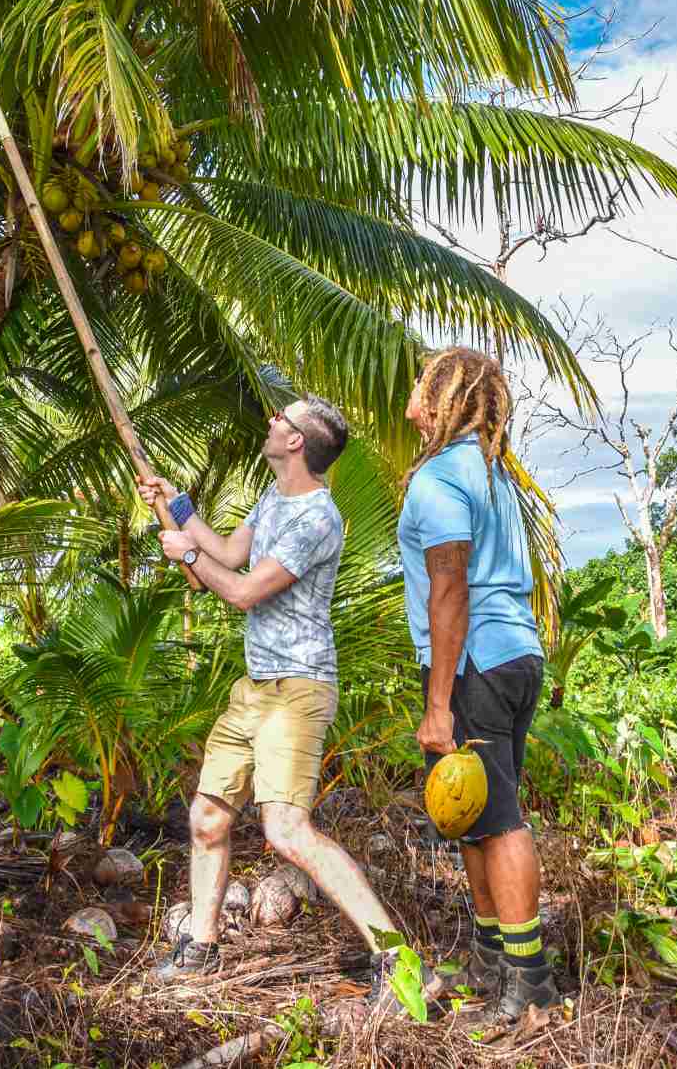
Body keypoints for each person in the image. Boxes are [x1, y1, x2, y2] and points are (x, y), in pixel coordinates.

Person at [139, 395, 406, 1004]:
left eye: (281, 419)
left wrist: (183, 552)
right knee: (207, 817)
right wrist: (176, 506)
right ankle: (199, 949)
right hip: (255, 687)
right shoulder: (272, 498)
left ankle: (396, 958)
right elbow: (229, 552)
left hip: (299, 689)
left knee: (286, 830)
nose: (270, 421)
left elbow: (240, 589)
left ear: (296, 444)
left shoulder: (318, 519)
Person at [399, 346, 556, 1023]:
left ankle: (532, 985)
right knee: (470, 818)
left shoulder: (440, 479)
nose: (412, 389)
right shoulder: (489, 472)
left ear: (443, 395)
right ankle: (495, 957)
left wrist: (439, 705)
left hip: (477, 665)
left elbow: (449, 590)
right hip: (514, 655)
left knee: (495, 822)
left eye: (423, 380)